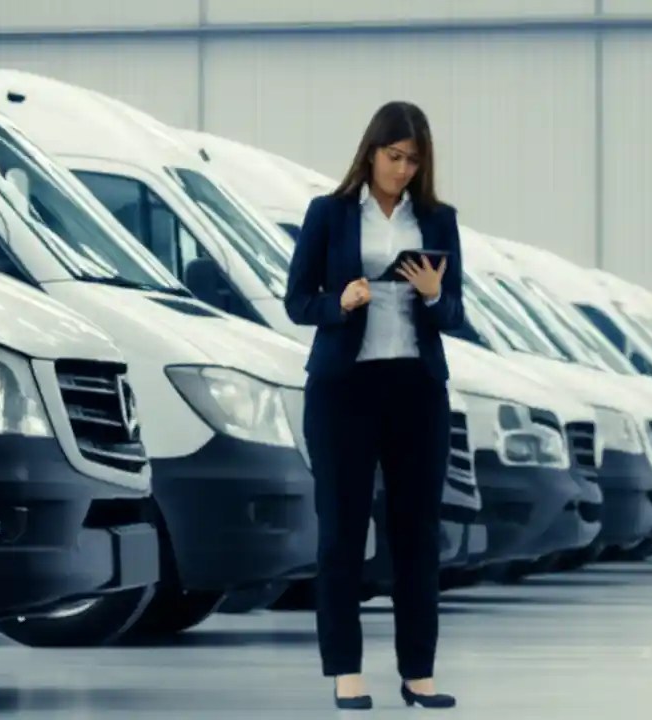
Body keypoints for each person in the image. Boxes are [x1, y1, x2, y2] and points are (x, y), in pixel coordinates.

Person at [284, 101, 464, 711]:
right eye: (395, 157)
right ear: (371, 152)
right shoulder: (329, 214)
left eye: (414, 160)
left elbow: (455, 314)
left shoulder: (438, 220)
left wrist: (436, 295)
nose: (404, 170)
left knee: (417, 534)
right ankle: (345, 671)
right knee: (340, 531)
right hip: (344, 389)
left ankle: (419, 673)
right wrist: (341, 300)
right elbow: (296, 300)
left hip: (416, 388)